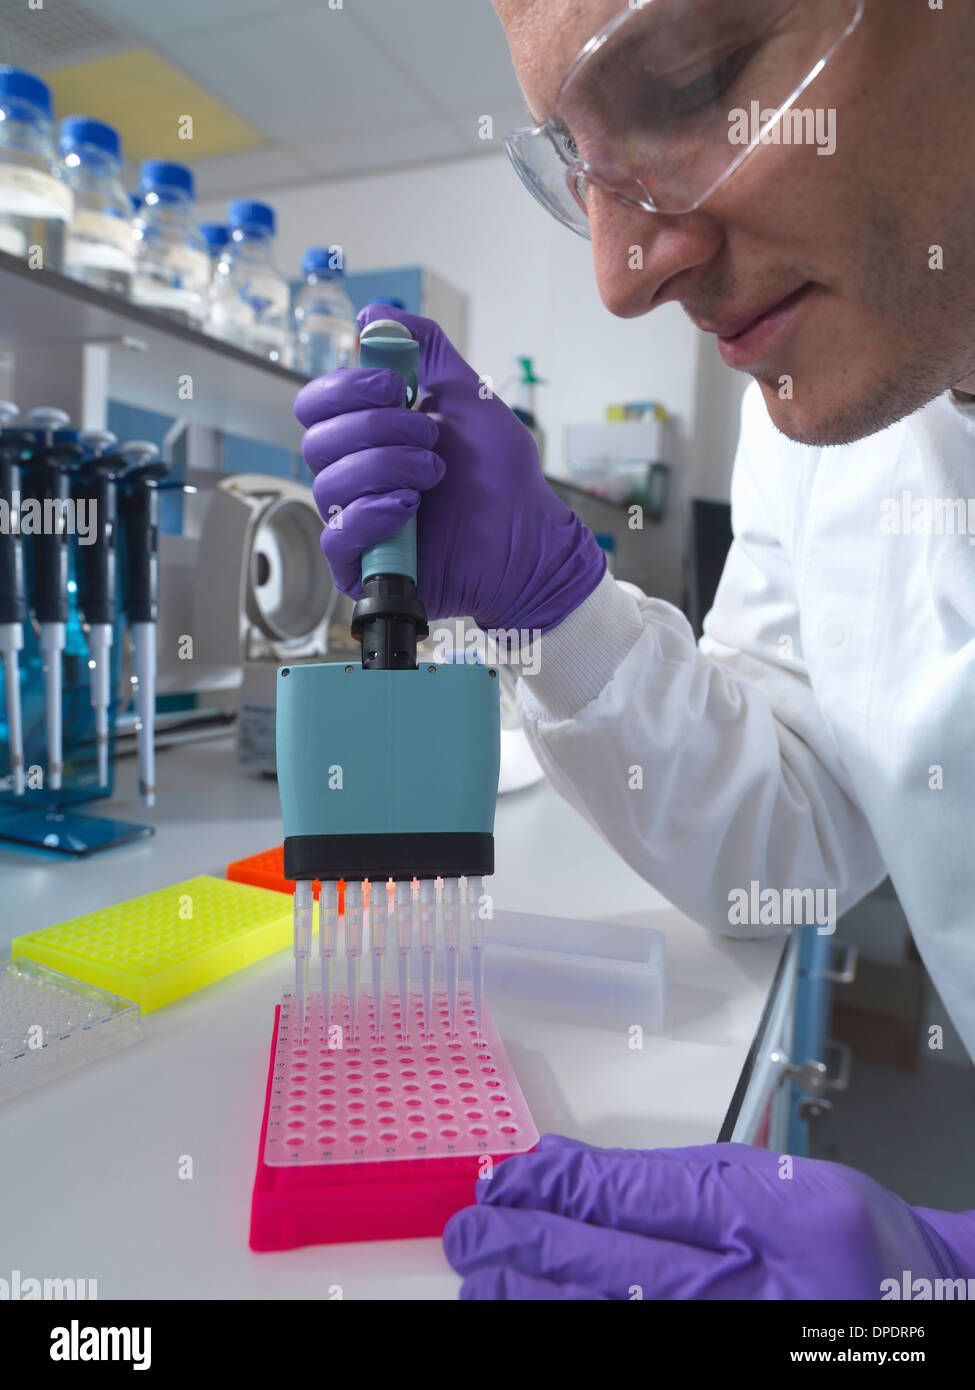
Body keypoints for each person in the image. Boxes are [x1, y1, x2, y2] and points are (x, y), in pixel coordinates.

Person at [294, 0, 975, 1298]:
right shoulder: (814, 413)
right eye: (581, 168)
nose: (621, 275)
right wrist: (553, 602)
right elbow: (798, 823)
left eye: (690, 83)